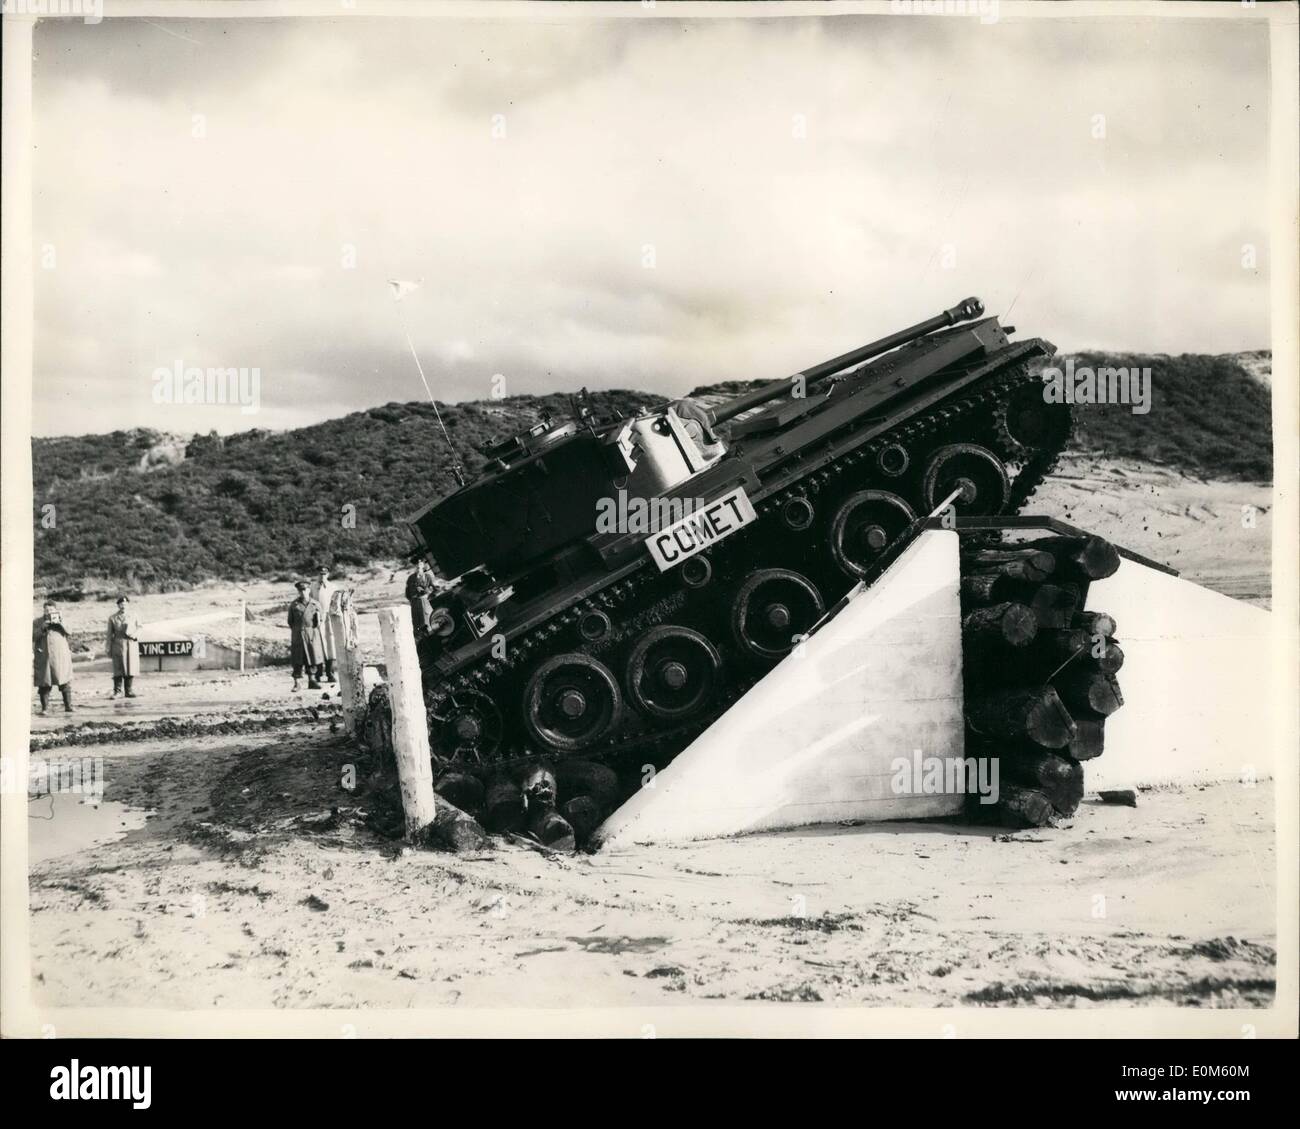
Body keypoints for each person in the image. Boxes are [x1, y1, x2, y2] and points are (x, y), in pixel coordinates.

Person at [33, 602, 74, 714]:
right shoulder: (37, 622)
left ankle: (68, 706)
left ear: (56, 610)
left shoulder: (61, 619)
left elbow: (70, 631)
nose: (49, 612)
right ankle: (45, 708)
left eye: (51, 610)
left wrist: (60, 623)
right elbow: (32, 636)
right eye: (46, 610)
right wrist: (42, 628)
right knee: (44, 683)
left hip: (60, 656)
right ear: (43, 611)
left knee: (64, 681)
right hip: (44, 656)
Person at [287, 580, 326, 691]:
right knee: (298, 659)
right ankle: (297, 683)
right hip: (298, 634)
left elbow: (320, 619)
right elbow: (290, 621)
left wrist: (312, 628)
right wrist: (297, 630)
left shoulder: (315, 604)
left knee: (312, 657)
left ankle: (312, 680)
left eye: (305, 590)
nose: (303, 592)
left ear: (309, 590)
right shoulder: (294, 605)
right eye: (300, 591)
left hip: (311, 633)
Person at [107, 595, 141, 698]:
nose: (123, 605)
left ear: (128, 604)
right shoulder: (112, 618)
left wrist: (135, 635)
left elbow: (140, 627)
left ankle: (128, 690)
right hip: (118, 643)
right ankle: (117, 691)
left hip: (130, 643)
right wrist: (108, 647)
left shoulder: (134, 615)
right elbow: (109, 634)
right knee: (118, 667)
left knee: (130, 666)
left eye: (125, 603)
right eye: (121, 604)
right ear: (118, 605)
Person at [309, 564, 338, 684]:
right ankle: (318, 674)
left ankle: (330, 673)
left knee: (330, 645)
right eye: (320, 574)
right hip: (317, 617)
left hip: (329, 618)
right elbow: (309, 602)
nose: (322, 576)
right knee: (318, 645)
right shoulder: (312, 587)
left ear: (328, 574)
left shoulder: (333, 587)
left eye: (324, 574)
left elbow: (337, 602)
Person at [405, 559, 437, 637]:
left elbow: (435, 588)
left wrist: (428, 594)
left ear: (423, 567)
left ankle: (431, 635)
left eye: (420, 566)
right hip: (415, 603)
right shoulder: (411, 578)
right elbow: (407, 593)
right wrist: (413, 600)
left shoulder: (428, 577)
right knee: (417, 624)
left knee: (429, 622)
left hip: (424, 602)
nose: (418, 568)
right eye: (417, 567)